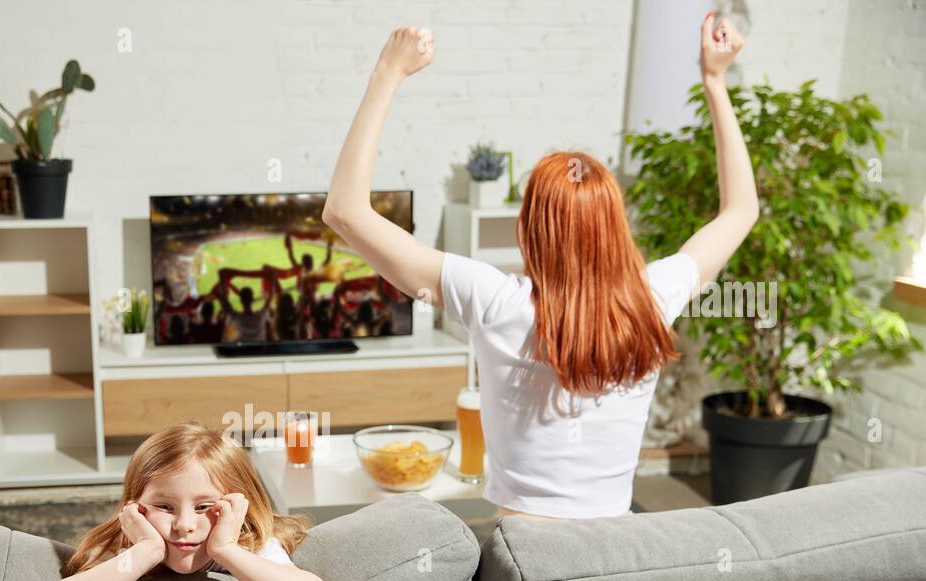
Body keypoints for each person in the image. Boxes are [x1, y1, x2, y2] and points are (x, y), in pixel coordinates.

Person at [323, 16, 758, 520]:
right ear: (615, 225)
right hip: (619, 560)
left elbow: (344, 211)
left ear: (528, 228)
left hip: (522, 570)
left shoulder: (494, 300)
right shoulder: (653, 298)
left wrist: (388, 72)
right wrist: (715, 81)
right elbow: (740, 210)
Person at [35, 421, 338, 581]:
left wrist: (226, 550)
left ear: (238, 506)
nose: (184, 526)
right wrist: (147, 550)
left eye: (205, 507)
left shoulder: (249, 544)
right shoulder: (128, 545)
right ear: (134, 506)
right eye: (164, 507)